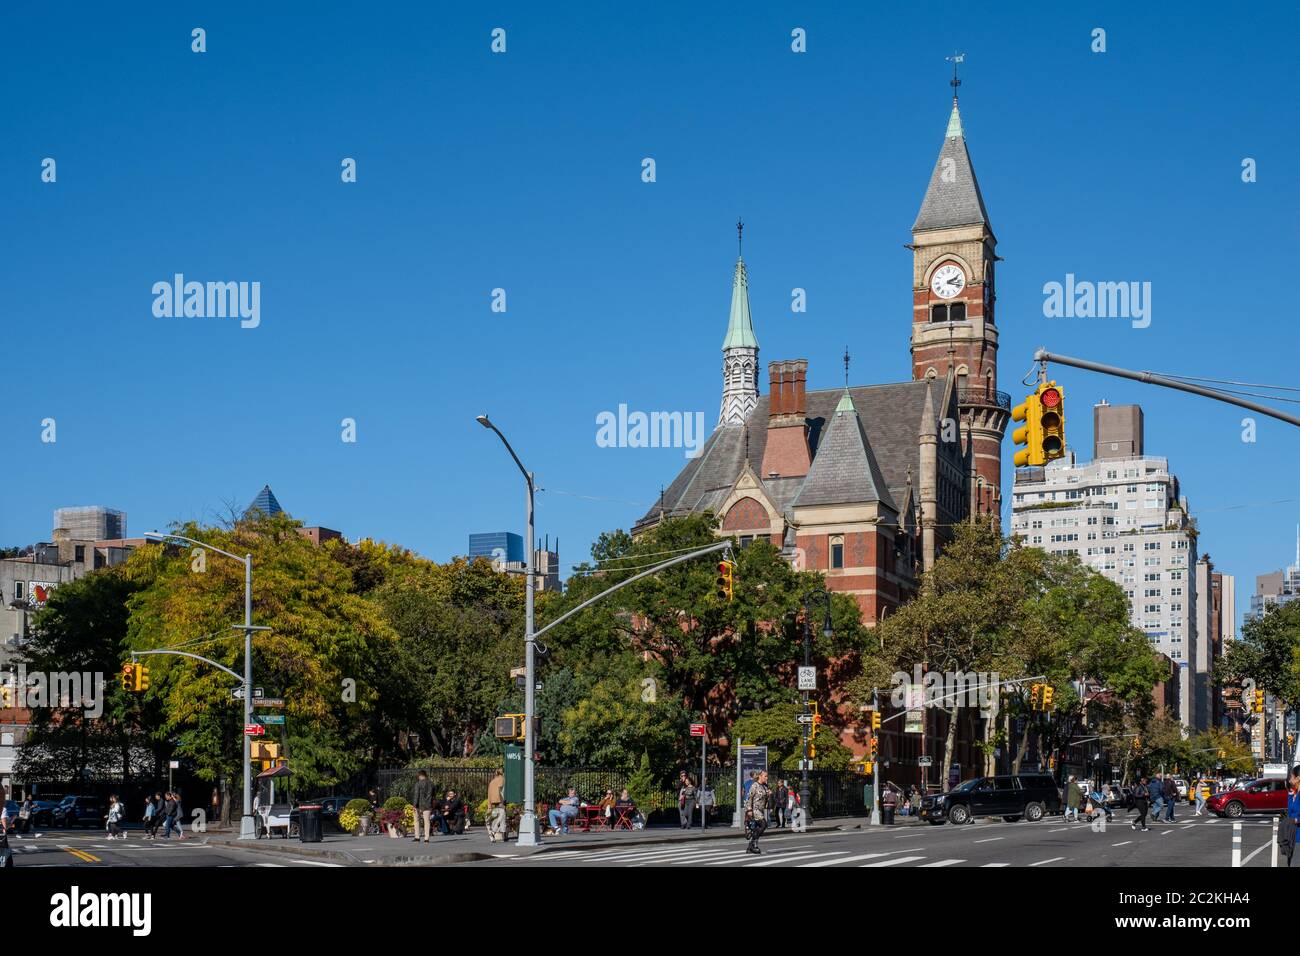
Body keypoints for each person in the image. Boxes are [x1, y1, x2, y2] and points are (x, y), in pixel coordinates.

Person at [744, 769, 771, 854]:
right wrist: (749, 810)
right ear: (760, 776)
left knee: (757, 828)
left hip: (761, 810)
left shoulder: (765, 786)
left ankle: (750, 847)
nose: (766, 778)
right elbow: (749, 798)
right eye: (765, 776)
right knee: (763, 824)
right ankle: (753, 845)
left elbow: (765, 799)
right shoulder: (754, 785)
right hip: (754, 809)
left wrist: (769, 795)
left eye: (767, 776)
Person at [1282, 765, 1300, 867]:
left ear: (1298, 778)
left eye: (1291, 777)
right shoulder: (1295, 794)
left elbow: (1294, 817)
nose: (1289, 780)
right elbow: (1290, 813)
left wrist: (1296, 820)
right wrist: (1290, 794)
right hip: (1292, 837)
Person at [411, 770, 434, 843]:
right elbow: (433, 795)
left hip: (419, 804)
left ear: (420, 776)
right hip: (428, 804)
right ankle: (426, 838)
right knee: (427, 821)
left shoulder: (418, 783)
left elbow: (416, 795)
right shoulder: (431, 783)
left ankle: (417, 837)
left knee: (416, 820)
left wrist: (414, 805)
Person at [487, 769, 507, 843]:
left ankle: (495, 835)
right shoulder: (502, 780)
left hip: (493, 802)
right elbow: (502, 792)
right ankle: (499, 835)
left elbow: (489, 794)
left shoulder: (492, 782)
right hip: (500, 801)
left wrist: (489, 805)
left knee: (496, 818)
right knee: (502, 819)